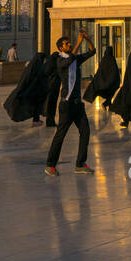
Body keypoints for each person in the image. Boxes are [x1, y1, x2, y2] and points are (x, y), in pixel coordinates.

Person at [44, 31, 96, 175]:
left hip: (78, 105)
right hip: (66, 105)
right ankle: (50, 165)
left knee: (85, 131)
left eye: (70, 42)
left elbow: (93, 52)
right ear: (61, 48)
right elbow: (69, 60)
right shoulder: (60, 61)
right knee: (61, 135)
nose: (70, 44)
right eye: (67, 44)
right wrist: (79, 42)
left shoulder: (75, 59)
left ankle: (80, 164)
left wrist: (87, 39)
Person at [4, 51, 50, 126]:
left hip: (32, 91)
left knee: (35, 106)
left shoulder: (31, 67)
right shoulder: (38, 68)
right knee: (36, 106)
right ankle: (36, 120)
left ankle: (36, 120)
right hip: (35, 92)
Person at [43, 43, 63, 128]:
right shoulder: (54, 65)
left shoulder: (49, 64)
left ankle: (50, 120)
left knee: (50, 104)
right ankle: (50, 121)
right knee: (51, 104)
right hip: (53, 87)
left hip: (50, 86)